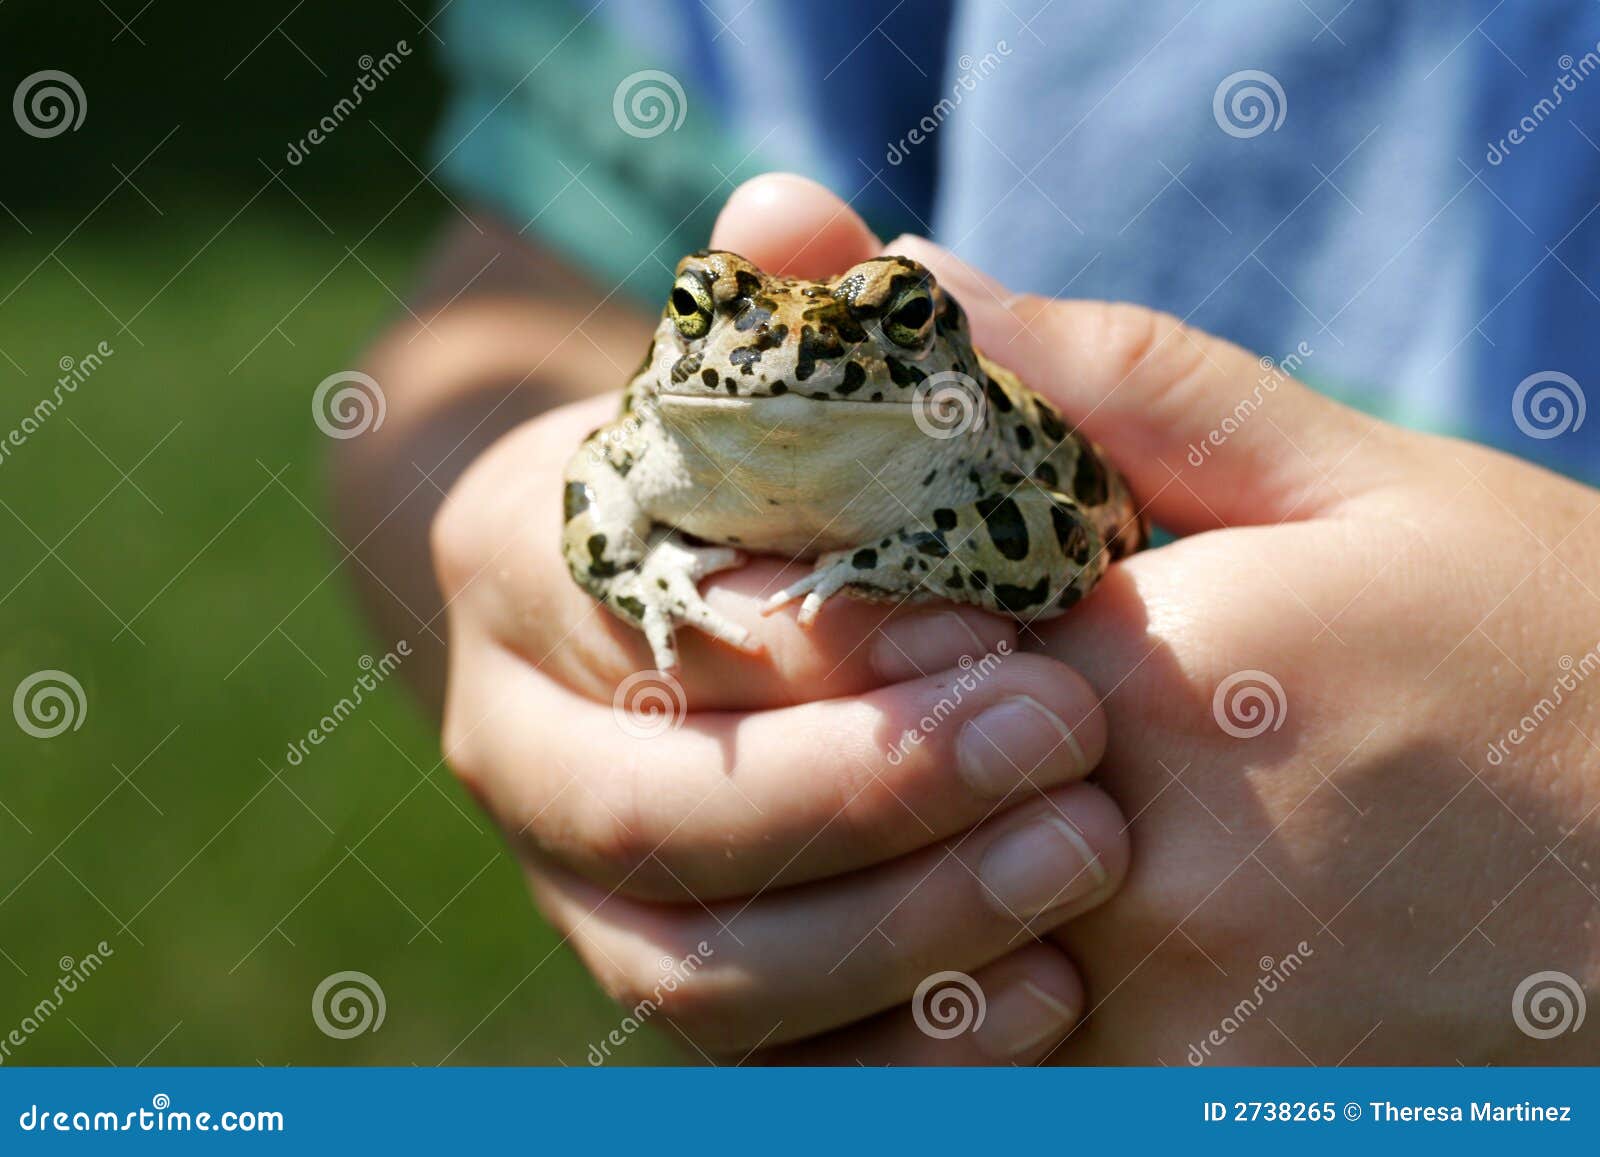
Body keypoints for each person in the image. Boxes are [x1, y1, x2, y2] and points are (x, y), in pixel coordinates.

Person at [333, 1, 1600, 1063]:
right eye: (704, 312)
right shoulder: (657, 430)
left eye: (889, 319)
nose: (787, 354)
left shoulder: (982, 441)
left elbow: (1061, 540)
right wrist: (574, 640)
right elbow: (522, 331)